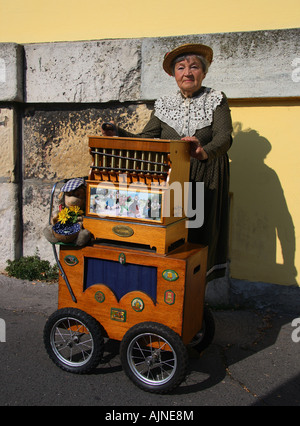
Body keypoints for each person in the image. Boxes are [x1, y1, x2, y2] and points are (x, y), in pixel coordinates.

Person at [102, 43, 233, 281]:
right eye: (181, 68)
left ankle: (196, 291)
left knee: (197, 232)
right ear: (174, 75)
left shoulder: (216, 99)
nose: (187, 73)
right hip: (172, 177)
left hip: (205, 175)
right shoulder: (163, 104)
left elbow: (225, 137)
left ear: (203, 72)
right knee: (171, 230)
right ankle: (170, 286)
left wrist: (203, 151)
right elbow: (147, 139)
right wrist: (119, 133)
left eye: (194, 67)